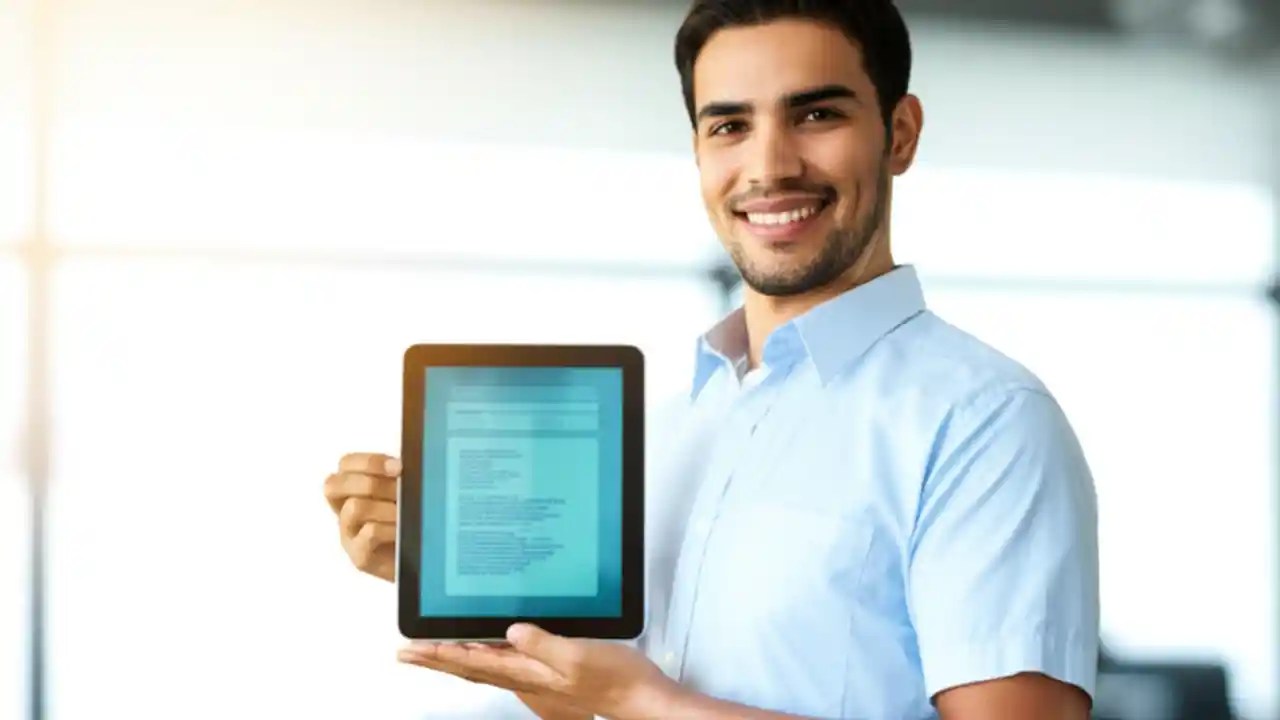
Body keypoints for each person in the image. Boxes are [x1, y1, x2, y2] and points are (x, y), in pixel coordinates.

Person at [323, 0, 1100, 718]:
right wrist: (462, 576)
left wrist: (644, 702)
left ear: (899, 133)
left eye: (817, 114)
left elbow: (638, 703)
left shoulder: (986, 422)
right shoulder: (672, 430)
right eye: (729, 126)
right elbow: (596, 697)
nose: (770, 166)